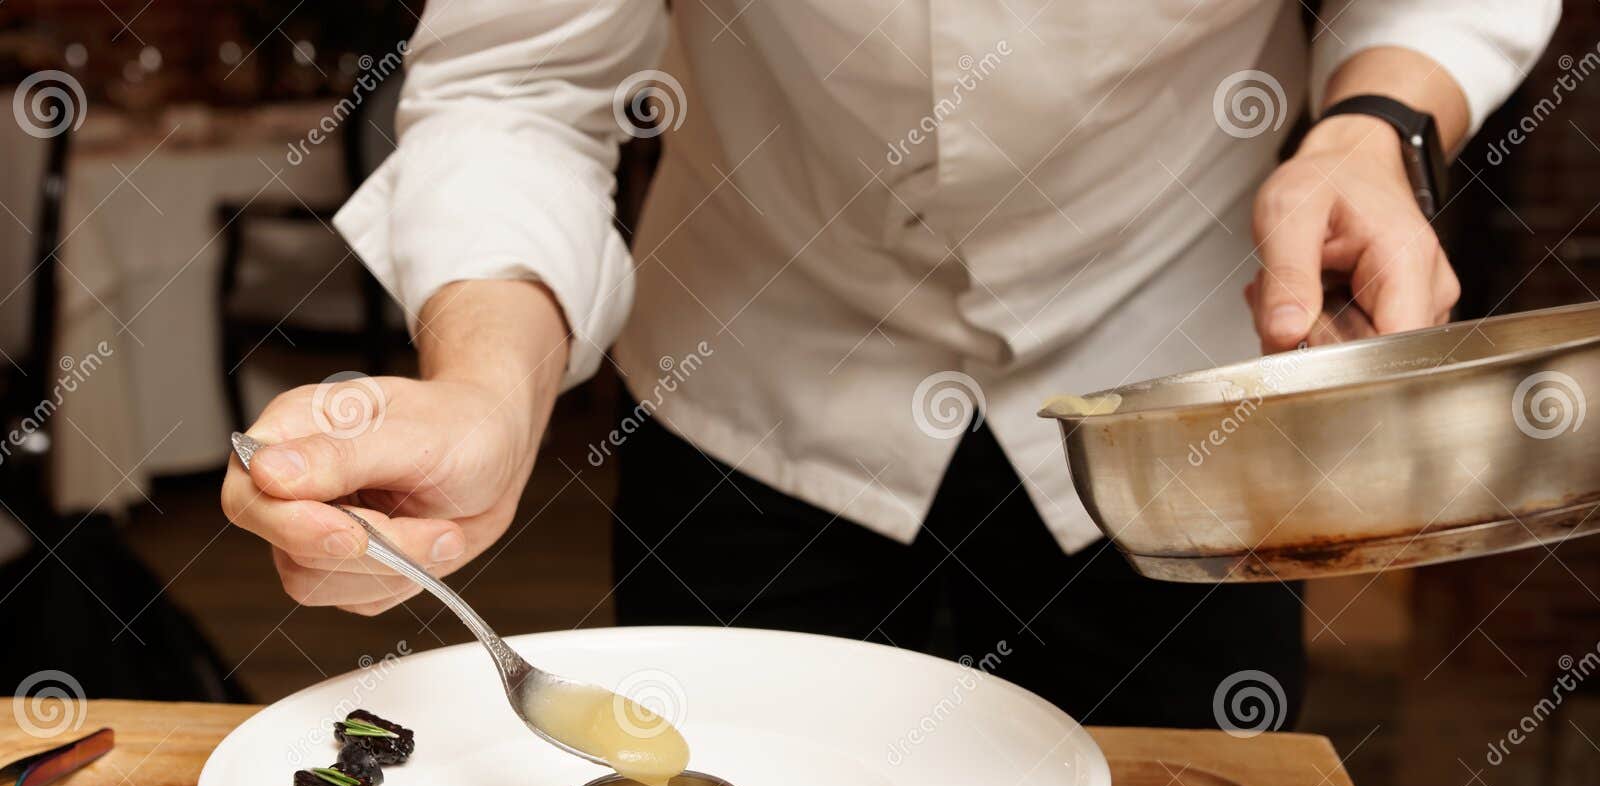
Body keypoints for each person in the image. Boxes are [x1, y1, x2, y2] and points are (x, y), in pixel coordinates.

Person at [221, 1, 1559, 728]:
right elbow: (523, 80)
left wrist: (1376, 123)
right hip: (759, 380)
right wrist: (489, 390)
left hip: (1172, 393)